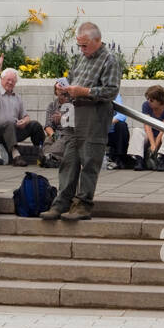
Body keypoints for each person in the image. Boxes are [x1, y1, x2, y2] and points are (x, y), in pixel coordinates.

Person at [40, 22, 120, 221]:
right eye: (79, 45)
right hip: (73, 110)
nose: (81, 49)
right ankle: (62, 202)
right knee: (68, 158)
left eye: (85, 45)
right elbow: (72, 79)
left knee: (90, 159)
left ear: (97, 40)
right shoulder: (80, 58)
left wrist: (84, 91)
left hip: (94, 113)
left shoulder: (109, 59)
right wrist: (64, 88)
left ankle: (83, 204)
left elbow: (111, 90)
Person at [0, 51, 45, 165]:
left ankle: (42, 152)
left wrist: (25, 121)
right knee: (9, 122)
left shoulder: (17, 98)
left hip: (13, 131)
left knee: (35, 125)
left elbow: (25, 116)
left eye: (13, 81)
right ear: (2, 80)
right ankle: (16, 155)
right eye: (8, 79)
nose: (10, 82)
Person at [139, 85, 164, 170]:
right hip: (150, 136)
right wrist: (152, 144)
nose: (149, 101)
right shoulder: (146, 105)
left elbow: (163, 130)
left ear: (159, 100)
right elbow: (147, 126)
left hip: (163, 137)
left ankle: (161, 160)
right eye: (148, 99)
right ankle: (138, 159)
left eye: (152, 100)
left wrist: (155, 146)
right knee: (137, 131)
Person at [41, 78, 72, 167]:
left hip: (68, 133)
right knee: (48, 140)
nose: (61, 92)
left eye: (63, 90)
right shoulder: (52, 105)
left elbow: (75, 123)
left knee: (61, 141)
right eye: (59, 89)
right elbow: (47, 126)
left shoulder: (73, 104)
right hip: (56, 133)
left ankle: (49, 157)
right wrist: (54, 135)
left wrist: (62, 118)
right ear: (56, 91)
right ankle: (50, 158)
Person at [105, 92, 131, 170]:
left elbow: (122, 115)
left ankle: (119, 158)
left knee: (122, 125)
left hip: (111, 131)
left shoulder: (115, 95)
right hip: (96, 131)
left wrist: (107, 123)